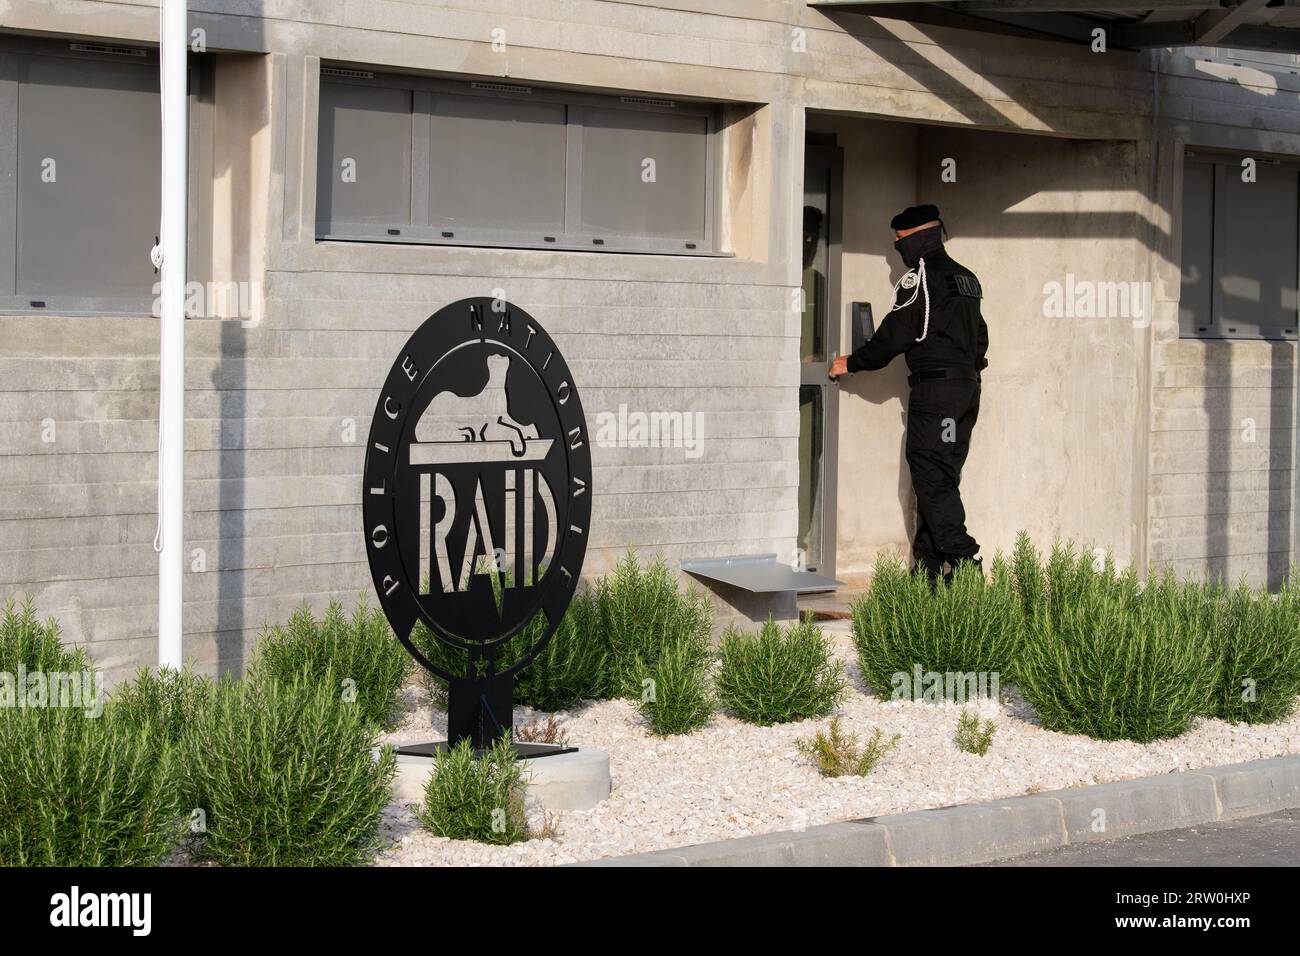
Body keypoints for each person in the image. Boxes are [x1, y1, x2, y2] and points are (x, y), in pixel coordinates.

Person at [829, 204, 988, 586]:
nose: (897, 250)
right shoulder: (967, 278)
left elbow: (896, 335)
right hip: (966, 391)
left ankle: (965, 566)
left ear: (915, 239)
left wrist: (850, 363)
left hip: (936, 394)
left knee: (931, 476)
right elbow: (981, 340)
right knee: (941, 475)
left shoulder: (920, 280)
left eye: (899, 242)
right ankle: (928, 572)